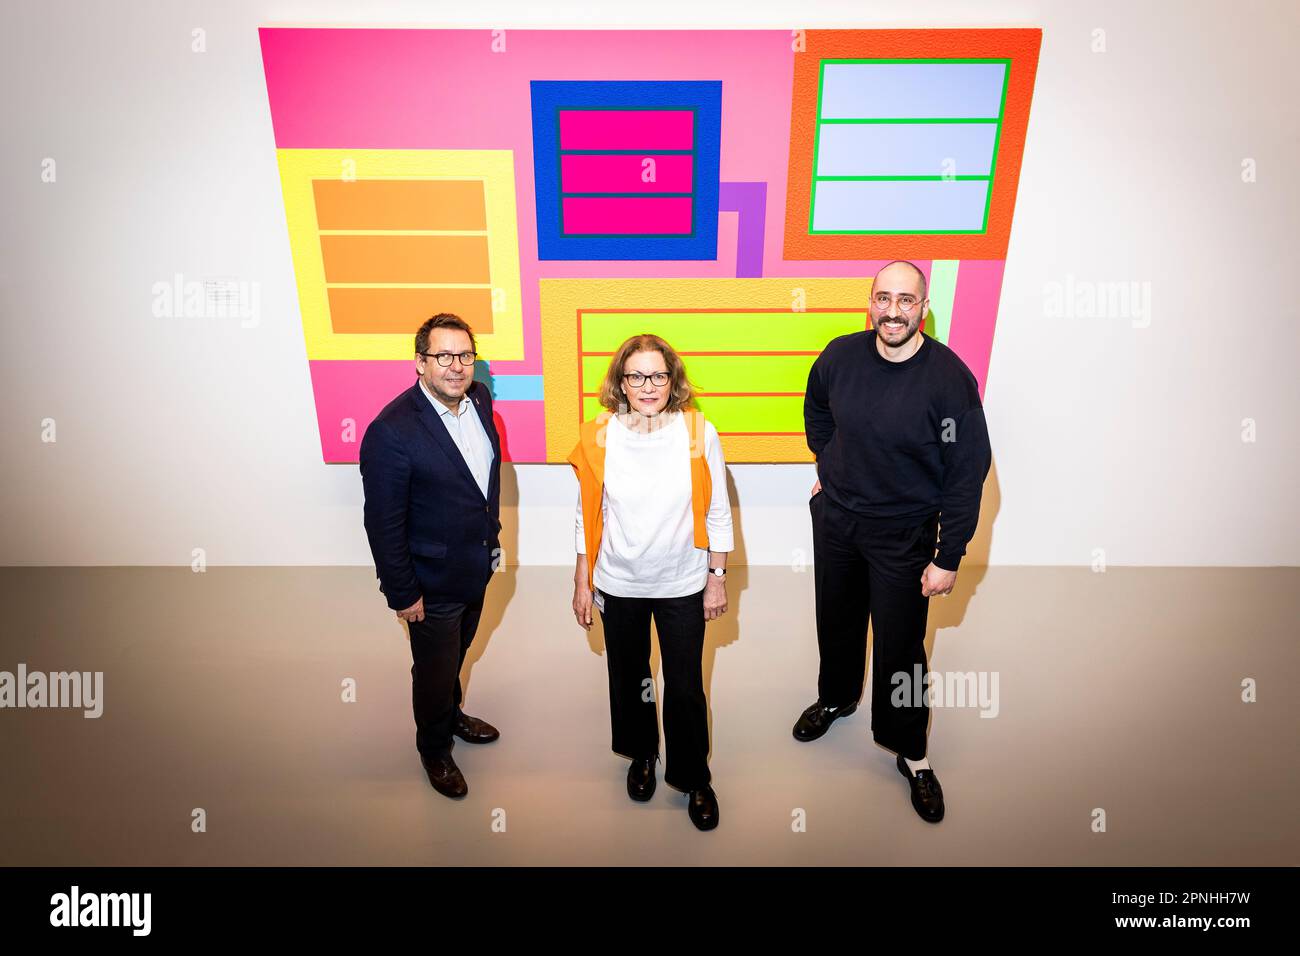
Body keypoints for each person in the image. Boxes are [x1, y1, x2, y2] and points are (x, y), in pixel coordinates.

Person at [797, 260, 992, 824]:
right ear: (871, 302)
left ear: (923, 308)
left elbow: (966, 471)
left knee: (901, 647)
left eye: (906, 301)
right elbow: (818, 410)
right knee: (834, 619)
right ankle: (836, 697)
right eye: (884, 298)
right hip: (837, 521)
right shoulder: (840, 356)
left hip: (904, 534)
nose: (893, 311)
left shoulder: (948, 379)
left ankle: (913, 752)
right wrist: (831, 464)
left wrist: (947, 555)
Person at [568, 334, 735, 831]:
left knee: (684, 684)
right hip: (619, 581)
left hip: (683, 580)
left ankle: (693, 776)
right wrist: (583, 581)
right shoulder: (597, 434)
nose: (647, 386)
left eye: (658, 375)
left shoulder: (698, 432)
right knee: (631, 676)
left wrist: (717, 577)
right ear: (620, 381)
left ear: (672, 380)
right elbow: (586, 515)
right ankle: (642, 753)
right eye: (636, 375)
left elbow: (719, 511)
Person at [359, 313, 503, 800]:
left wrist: (493, 534)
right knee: (434, 668)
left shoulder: (479, 400)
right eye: (443, 356)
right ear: (420, 363)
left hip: (475, 566)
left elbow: (482, 482)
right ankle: (434, 748)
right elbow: (383, 524)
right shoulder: (392, 432)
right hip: (430, 582)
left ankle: (451, 712)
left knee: (457, 655)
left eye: (465, 355)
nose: (457, 366)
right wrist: (403, 592)